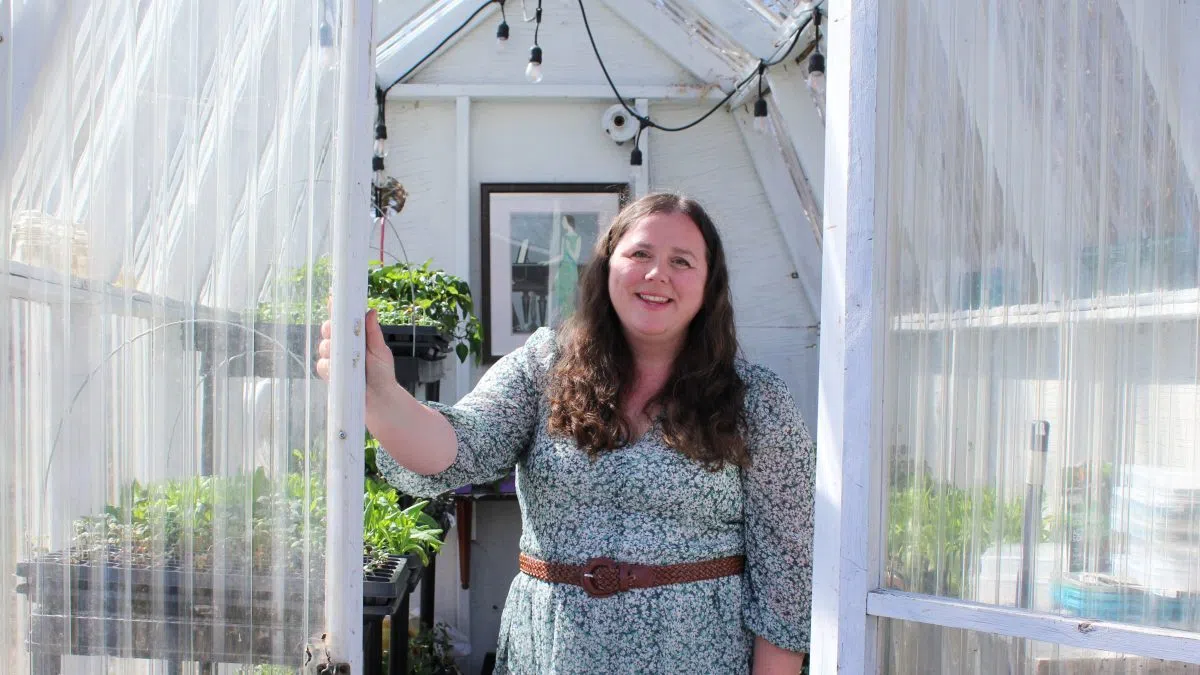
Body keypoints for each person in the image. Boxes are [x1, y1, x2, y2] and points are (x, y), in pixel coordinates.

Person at [317, 192, 814, 674]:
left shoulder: (758, 401)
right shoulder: (544, 367)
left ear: (709, 285)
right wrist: (379, 396)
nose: (657, 273)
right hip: (554, 651)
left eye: (682, 261)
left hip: (697, 655)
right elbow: (458, 446)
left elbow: (786, 573)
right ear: (607, 266)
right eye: (639, 253)